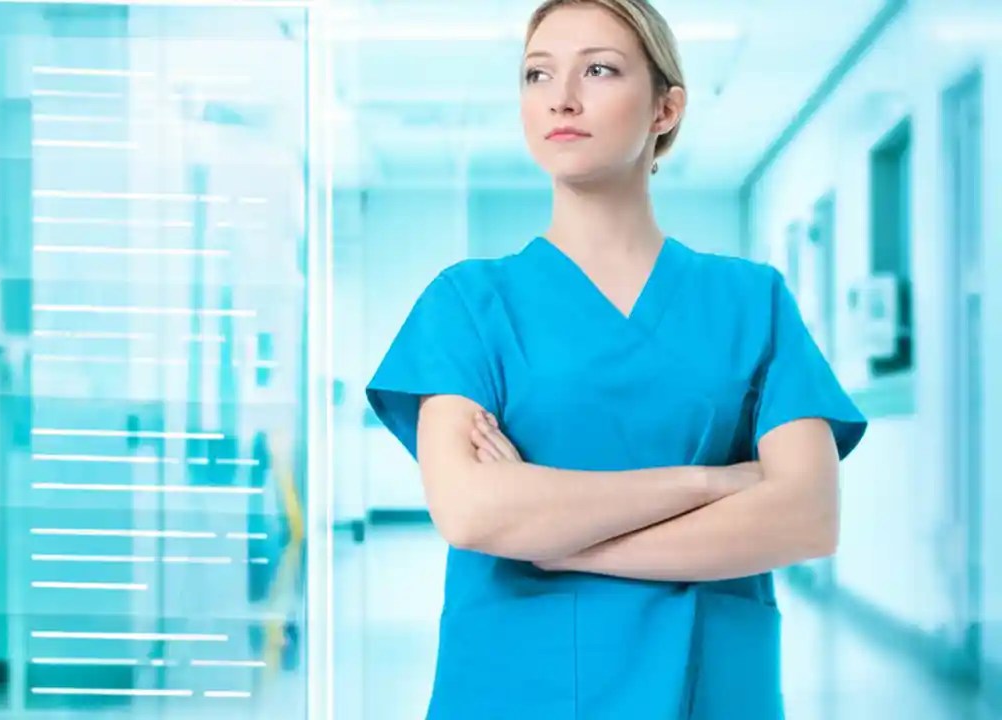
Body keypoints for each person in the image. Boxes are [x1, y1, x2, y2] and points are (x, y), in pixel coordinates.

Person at [363, 0, 868, 718]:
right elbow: (474, 512)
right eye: (538, 74)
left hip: (708, 683)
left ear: (666, 108)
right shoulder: (468, 303)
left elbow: (807, 516)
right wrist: (712, 481)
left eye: (599, 69)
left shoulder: (751, 300)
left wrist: (564, 545)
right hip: (515, 683)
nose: (561, 98)